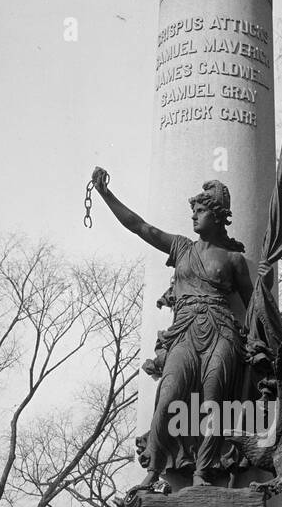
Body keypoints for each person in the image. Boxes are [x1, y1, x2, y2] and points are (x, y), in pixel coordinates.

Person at [90, 168, 254, 490]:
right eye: (193, 211)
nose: (194, 216)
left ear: (218, 216)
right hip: (184, 332)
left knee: (213, 402)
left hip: (221, 330)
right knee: (168, 397)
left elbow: (254, 307)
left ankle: (204, 472)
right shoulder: (181, 247)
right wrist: (106, 195)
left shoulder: (234, 260)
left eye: (201, 210)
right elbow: (141, 228)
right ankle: (153, 471)